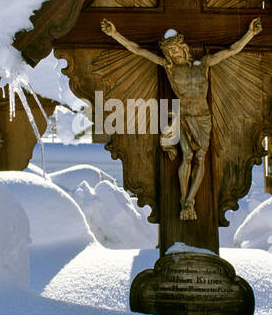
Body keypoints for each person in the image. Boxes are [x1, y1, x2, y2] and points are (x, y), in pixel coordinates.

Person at [101, 17, 261, 220]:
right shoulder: (170, 68)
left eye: (176, 50)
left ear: (184, 49)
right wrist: (114, 34)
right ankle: (184, 201)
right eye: (170, 53)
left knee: (201, 157)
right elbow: (139, 50)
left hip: (203, 117)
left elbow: (231, 51)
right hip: (184, 116)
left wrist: (250, 34)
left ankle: (189, 201)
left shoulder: (203, 64)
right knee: (187, 157)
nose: (174, 54)